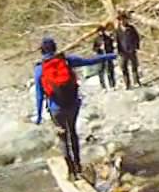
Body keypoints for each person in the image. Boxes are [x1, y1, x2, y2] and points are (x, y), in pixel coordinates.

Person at [33, 36, 115, 180]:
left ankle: (70, 171)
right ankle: (78, 166)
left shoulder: (40, 69)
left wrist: (39, 116)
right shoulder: (66, 61)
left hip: (56, 108)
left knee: (63, 138)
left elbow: (39, 95)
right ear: (55, 48)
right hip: (72, 104)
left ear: (42, 51)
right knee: (73, 133)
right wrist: (112, 55)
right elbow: (89, 61)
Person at [115, 18, 141, 89]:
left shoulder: (131, 28)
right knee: (124, 67)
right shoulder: (117, 30)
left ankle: (136, 82)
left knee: (134, 66)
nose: (122, 21)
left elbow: (137, 37)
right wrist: (117, 51)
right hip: (122, 52)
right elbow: (116, 41)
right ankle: (127, 84)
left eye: (123, 20)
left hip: (131, 50)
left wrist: (136, 47)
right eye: (121, 20)